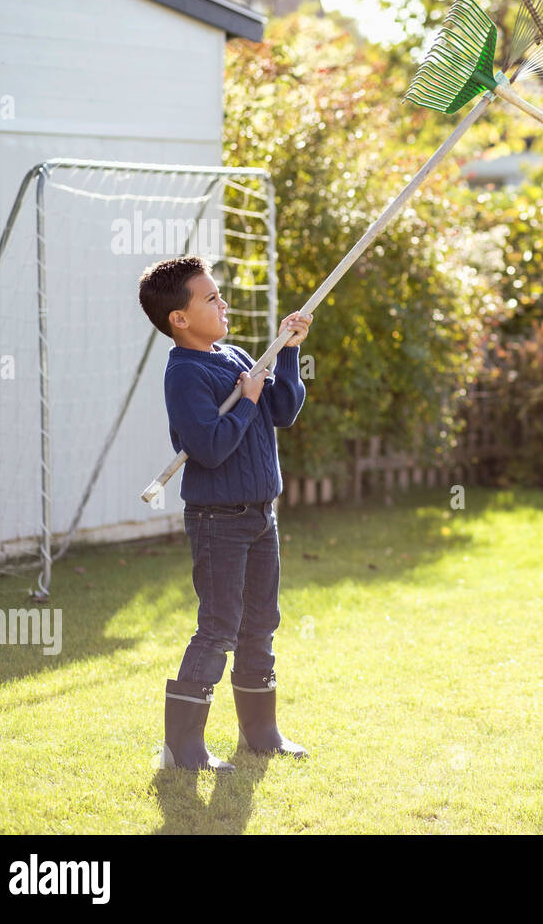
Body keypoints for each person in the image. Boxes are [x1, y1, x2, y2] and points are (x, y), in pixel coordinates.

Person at [138, 256, 313, 772]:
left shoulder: (234, 354)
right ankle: (182, 747)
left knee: (261, 624)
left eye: (220, 295)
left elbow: (282, 411)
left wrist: (285, 355)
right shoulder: (184, 375)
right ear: (180, 319)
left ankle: (261, 732)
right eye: (211, 298)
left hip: (262, 514)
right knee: (219, 627)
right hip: (219, 520)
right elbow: (210, 449)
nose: (223, 303)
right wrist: (245, 400)